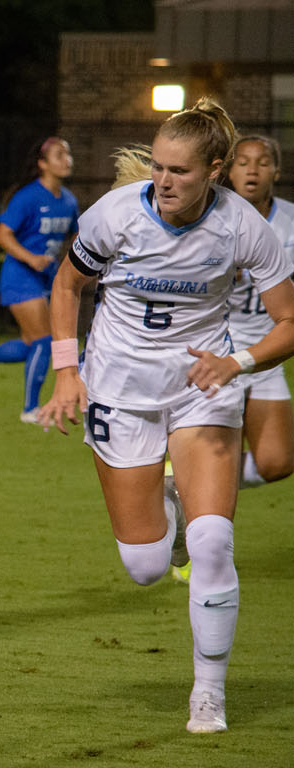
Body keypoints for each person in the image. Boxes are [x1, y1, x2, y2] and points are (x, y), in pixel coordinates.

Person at [37, 98, 294, 735]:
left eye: (180, 170)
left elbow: (290, 320)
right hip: (120, 392)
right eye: (157, 167)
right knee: (147, 565)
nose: (163, 181)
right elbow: (68, 286)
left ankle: (208, 694)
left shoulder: (243, 228)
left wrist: (239, 362)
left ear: (216, 169)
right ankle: (169, 510)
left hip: (200, 388)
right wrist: (68, 372)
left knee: (213, 541)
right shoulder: (116, 215)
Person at [0, 137, 79, 422]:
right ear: (42, 164)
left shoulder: (70, 200)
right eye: (59, 155)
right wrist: (31, 258)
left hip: (45, 279)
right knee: (45, 340)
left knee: (31, 345)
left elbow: (77, 236)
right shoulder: (28, 197)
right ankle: (30, 410)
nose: (67, 160)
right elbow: (2, 235)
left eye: (68, 154)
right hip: (20, 276)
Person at [221, 134, 294, 491]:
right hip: (216, 356)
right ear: (229, 171)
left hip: (266, 356)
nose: (252, 170)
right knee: (213, 457)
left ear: (276, 171)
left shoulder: (291, 221)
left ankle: (181, 484)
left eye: (262, 162)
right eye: (243, 162)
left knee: (277, 462)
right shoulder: (213, 218)